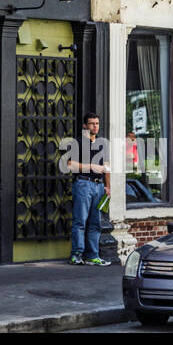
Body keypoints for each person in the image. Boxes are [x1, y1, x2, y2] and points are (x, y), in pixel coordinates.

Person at [67, 113, 110, 266]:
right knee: (80, 221)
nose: (95, 126)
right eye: (91, 123)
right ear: (85, 126)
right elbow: (69, 165)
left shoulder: (102, 144)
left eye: (97, 123)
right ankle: (76, 255)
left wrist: (108, 187)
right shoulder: (77, 143)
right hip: (83, 184)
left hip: (99, 186)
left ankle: (93, 255)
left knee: (96, 223)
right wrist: (91, 166)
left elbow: (107, 167)